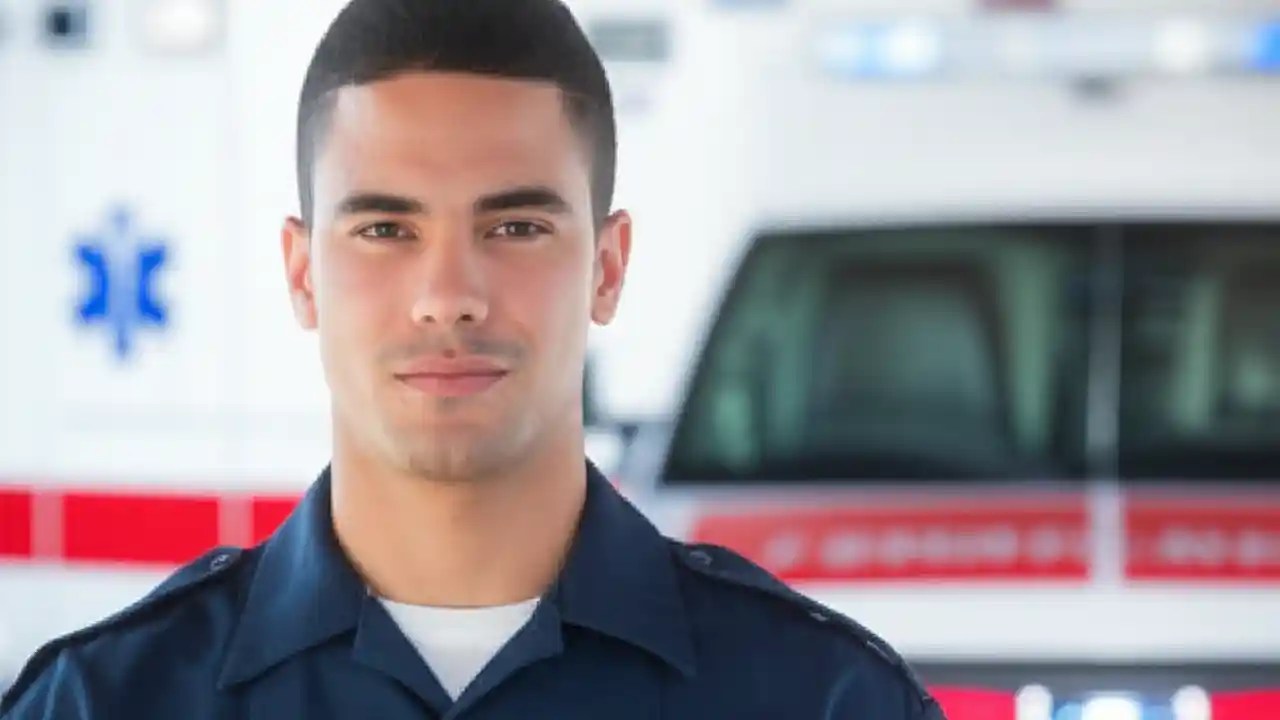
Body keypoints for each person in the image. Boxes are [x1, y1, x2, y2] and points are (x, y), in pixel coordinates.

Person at [1, 1, 944, 717]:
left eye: (516, 225)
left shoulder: (825, 699)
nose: (448, 293)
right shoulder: (102, 702)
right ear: (303, 274)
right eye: (385, 228)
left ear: (608, 268)